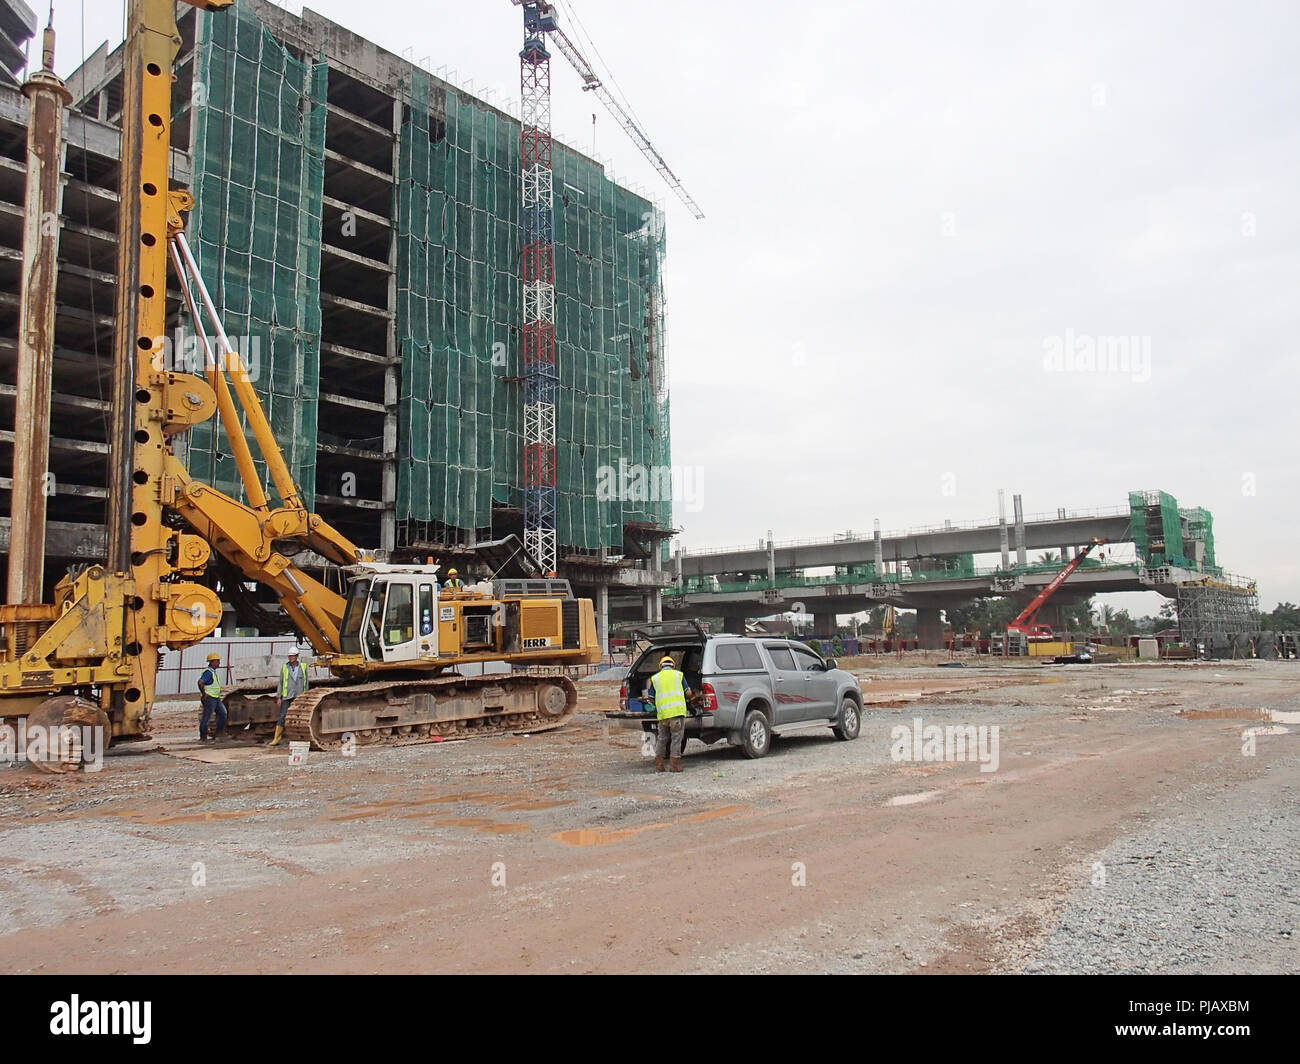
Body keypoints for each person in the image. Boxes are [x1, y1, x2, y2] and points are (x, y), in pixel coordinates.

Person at [645, 654, 691, 773]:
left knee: (662, 739)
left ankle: (659, 765)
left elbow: (650, 698)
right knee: (676, 739)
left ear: (661, 666)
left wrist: (658, 704)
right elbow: (689, 693)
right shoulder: (679, 675)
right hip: (677, 713)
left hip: (663, 715)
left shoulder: (655, 678)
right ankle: (674, 766)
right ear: (673, 666)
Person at [269, 647, 309, 747]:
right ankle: (276, 738)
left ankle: (299, 737)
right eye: (289, 656)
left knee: (299, 716)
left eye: (292, 656)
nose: (290, 658)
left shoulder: (303, 667)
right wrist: (279, 697)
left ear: (297, 656)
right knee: (282, 716)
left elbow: (306, 682)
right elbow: (281, 683)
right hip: (287, 696)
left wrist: (306, 695)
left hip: (299, 695)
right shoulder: (285, 667)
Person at [197, 651, 226, 741]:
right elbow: (200, 682)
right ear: (212, 662)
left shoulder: (212, 672)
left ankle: (219, 733)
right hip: (210, 698)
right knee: (206, 717)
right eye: (217, 661)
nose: (219, 663)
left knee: (223, 714)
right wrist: (204, 694)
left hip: (215, 698)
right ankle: (203, 737)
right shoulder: (208, 672)